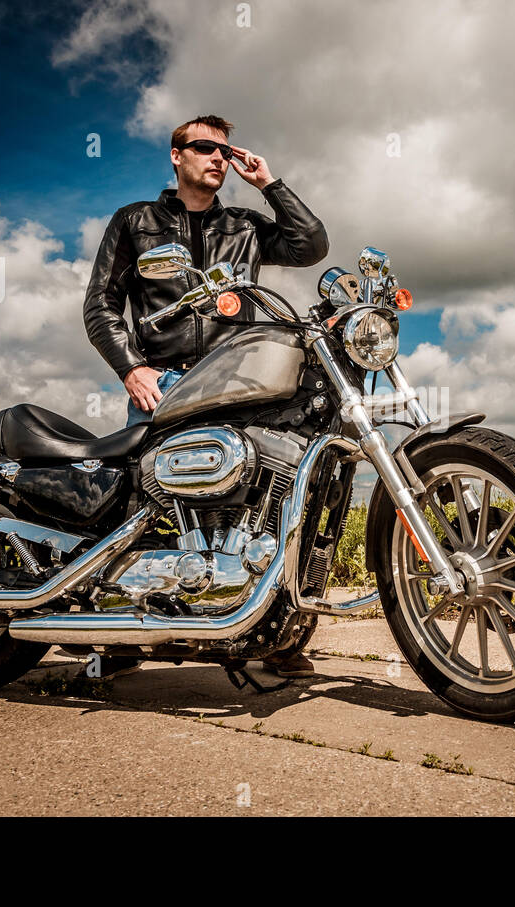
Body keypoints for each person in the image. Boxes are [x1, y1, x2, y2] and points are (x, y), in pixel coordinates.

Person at [83, 114, 328, 679]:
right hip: (163, 379)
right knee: (136, 499)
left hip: (237, 378)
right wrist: (131, 367)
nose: (218, 157)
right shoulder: (135, 222)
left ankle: (273, 634)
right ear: (176, 155)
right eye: (204, 147)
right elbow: (100, 305)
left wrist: (269, 183)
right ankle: (110, 630)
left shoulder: (244, 225)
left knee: (265, 497)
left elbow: (310, 244)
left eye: (226, 150)